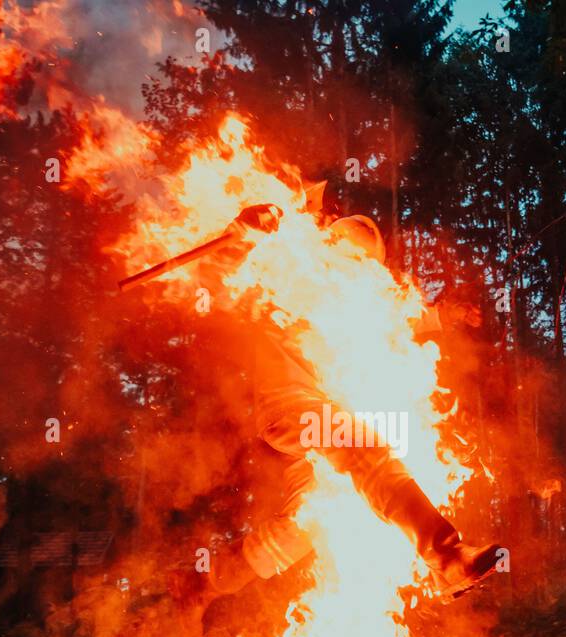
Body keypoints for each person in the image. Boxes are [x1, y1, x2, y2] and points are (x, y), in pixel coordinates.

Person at [171, 209, 504, 613]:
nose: (357, 273)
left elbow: (394, 323)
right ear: (328, 250)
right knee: (362, 444)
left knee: (302, 527)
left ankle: (201, 586)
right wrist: (239, 234)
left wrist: (440, 316)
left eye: (365, 266)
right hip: (290, 408)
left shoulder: (357, 304)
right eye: (351, 259)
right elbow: (226, 279)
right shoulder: (289, 278)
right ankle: (446, 556)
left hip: (321, 425)